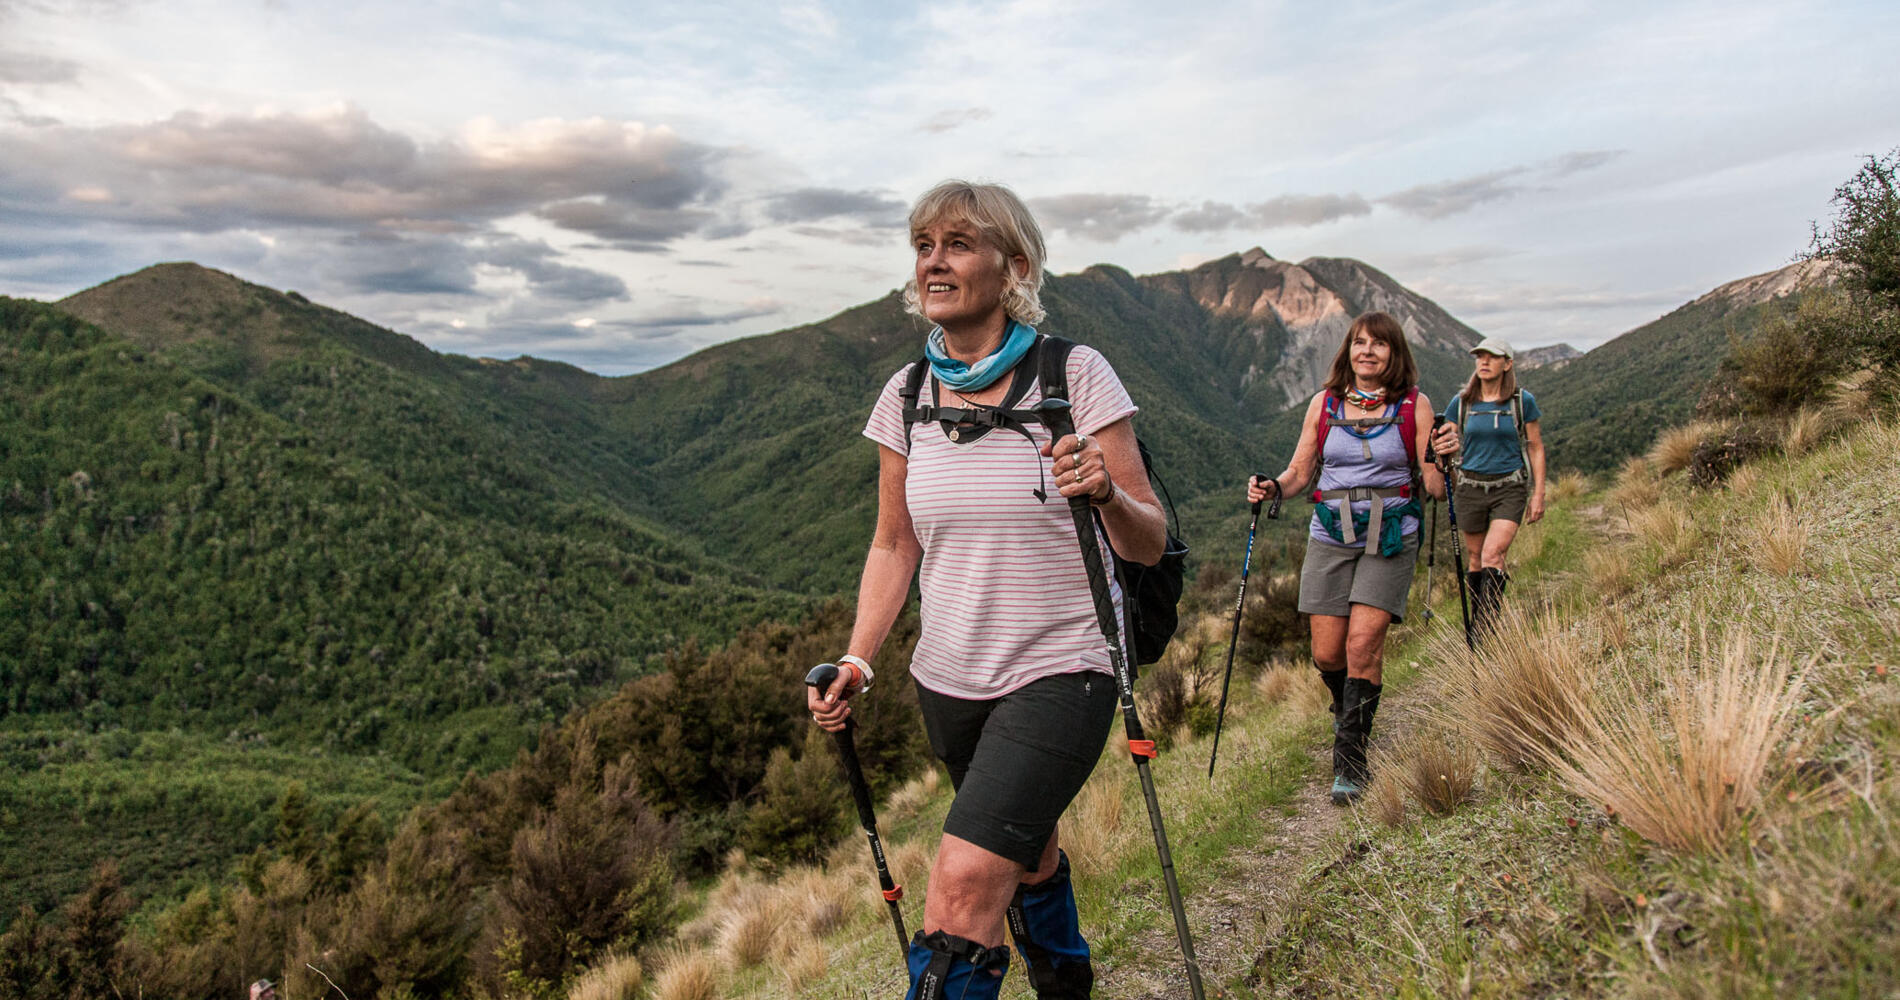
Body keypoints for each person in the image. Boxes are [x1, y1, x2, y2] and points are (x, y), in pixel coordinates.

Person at [807, 179, 1165, 1000]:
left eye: (958, 244)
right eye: (925, 246)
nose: (934, 262)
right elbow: (895, 544)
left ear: (1014, 266)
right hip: (948, 679)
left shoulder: (1074, 375)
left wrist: (1106, 491)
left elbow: (1147, 540)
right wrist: (858, 662)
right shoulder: (906, 395)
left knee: (961, 888)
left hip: (1064, 666)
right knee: (1027, 852)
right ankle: (1068, 985)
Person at [1246, 313, 1459, 805]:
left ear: (1394, 353)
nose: (1367, 351)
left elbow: (1433, 485)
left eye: (1379, 344)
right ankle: (1348, 710)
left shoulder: (1415, 405)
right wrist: (1273, 487)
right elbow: (1301, 471)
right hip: (1331, 533)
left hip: (1391, 534)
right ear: (1348, 351)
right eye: (1359, 342)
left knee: (1363, 644)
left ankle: (1351, 756)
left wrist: (1446, 456)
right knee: (1326, 652)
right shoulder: (1325, 404)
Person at [1442, 337, 1545, 639]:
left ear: (1507, 364)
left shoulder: (1521, 402)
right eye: (1480, 357)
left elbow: (1536, 447)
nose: (1484, 362)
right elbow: (1445, 441)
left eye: (1492, 357)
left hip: (1509, 488)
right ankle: (1478, 621)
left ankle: (1484, 632)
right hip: (1470, 488)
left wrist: (1538, 493)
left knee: (1492, 554)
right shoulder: (1461, 403)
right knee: (1476, 559)